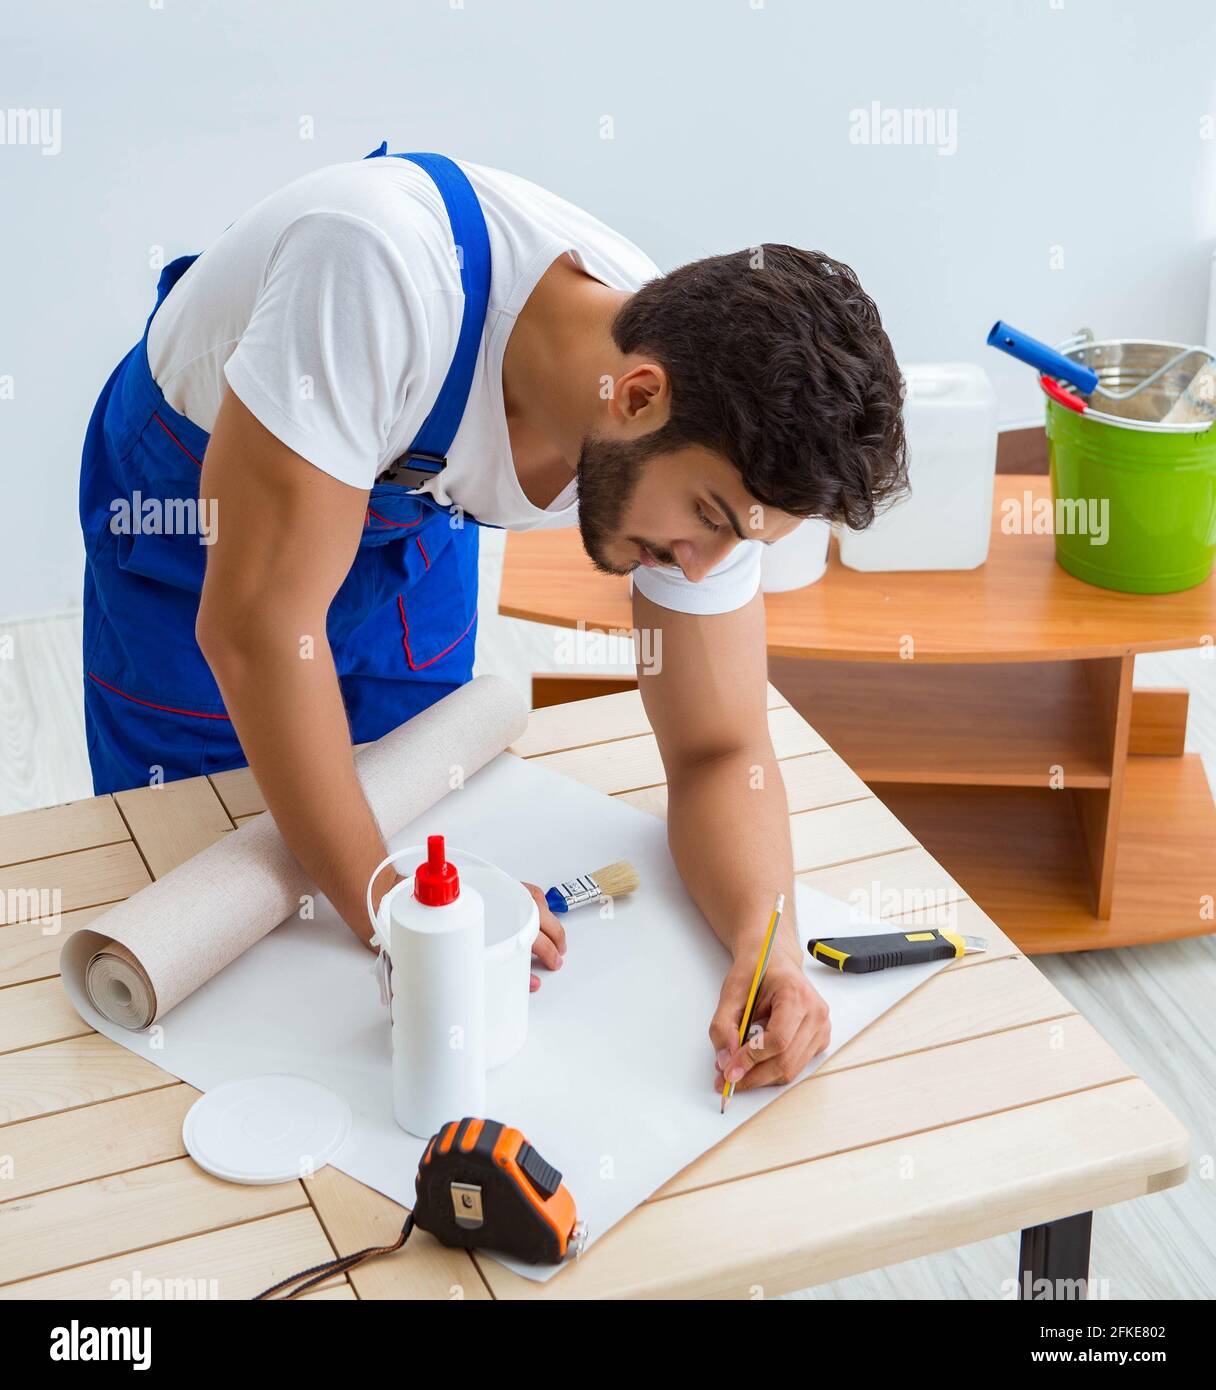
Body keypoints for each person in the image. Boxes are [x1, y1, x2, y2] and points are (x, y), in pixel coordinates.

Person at [78, 145, 907, 1097]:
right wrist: (389, 902)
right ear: (637, 396)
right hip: (198, 511)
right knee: (210, 893)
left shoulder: (721, 434)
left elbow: (720, 747)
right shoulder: (372, 273)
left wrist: (772, 947)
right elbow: (259, 633)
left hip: (409, 516)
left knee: (407, 823)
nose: (706, 569)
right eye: (710, 522)